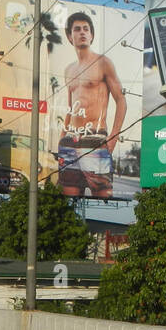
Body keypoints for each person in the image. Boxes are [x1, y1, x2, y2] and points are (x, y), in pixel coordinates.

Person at [57, 12, 126, 198]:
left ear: (92, 35)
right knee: (68, 198)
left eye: (86, 29)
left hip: (95, 139)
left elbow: (121, 100)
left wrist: (114, 135)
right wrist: (62, 137)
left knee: (103, 196)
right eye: (77, 29)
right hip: (70, 141)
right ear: (70, 36)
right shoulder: (69, 70)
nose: (82, 33)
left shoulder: (103, 63)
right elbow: (71, 108)